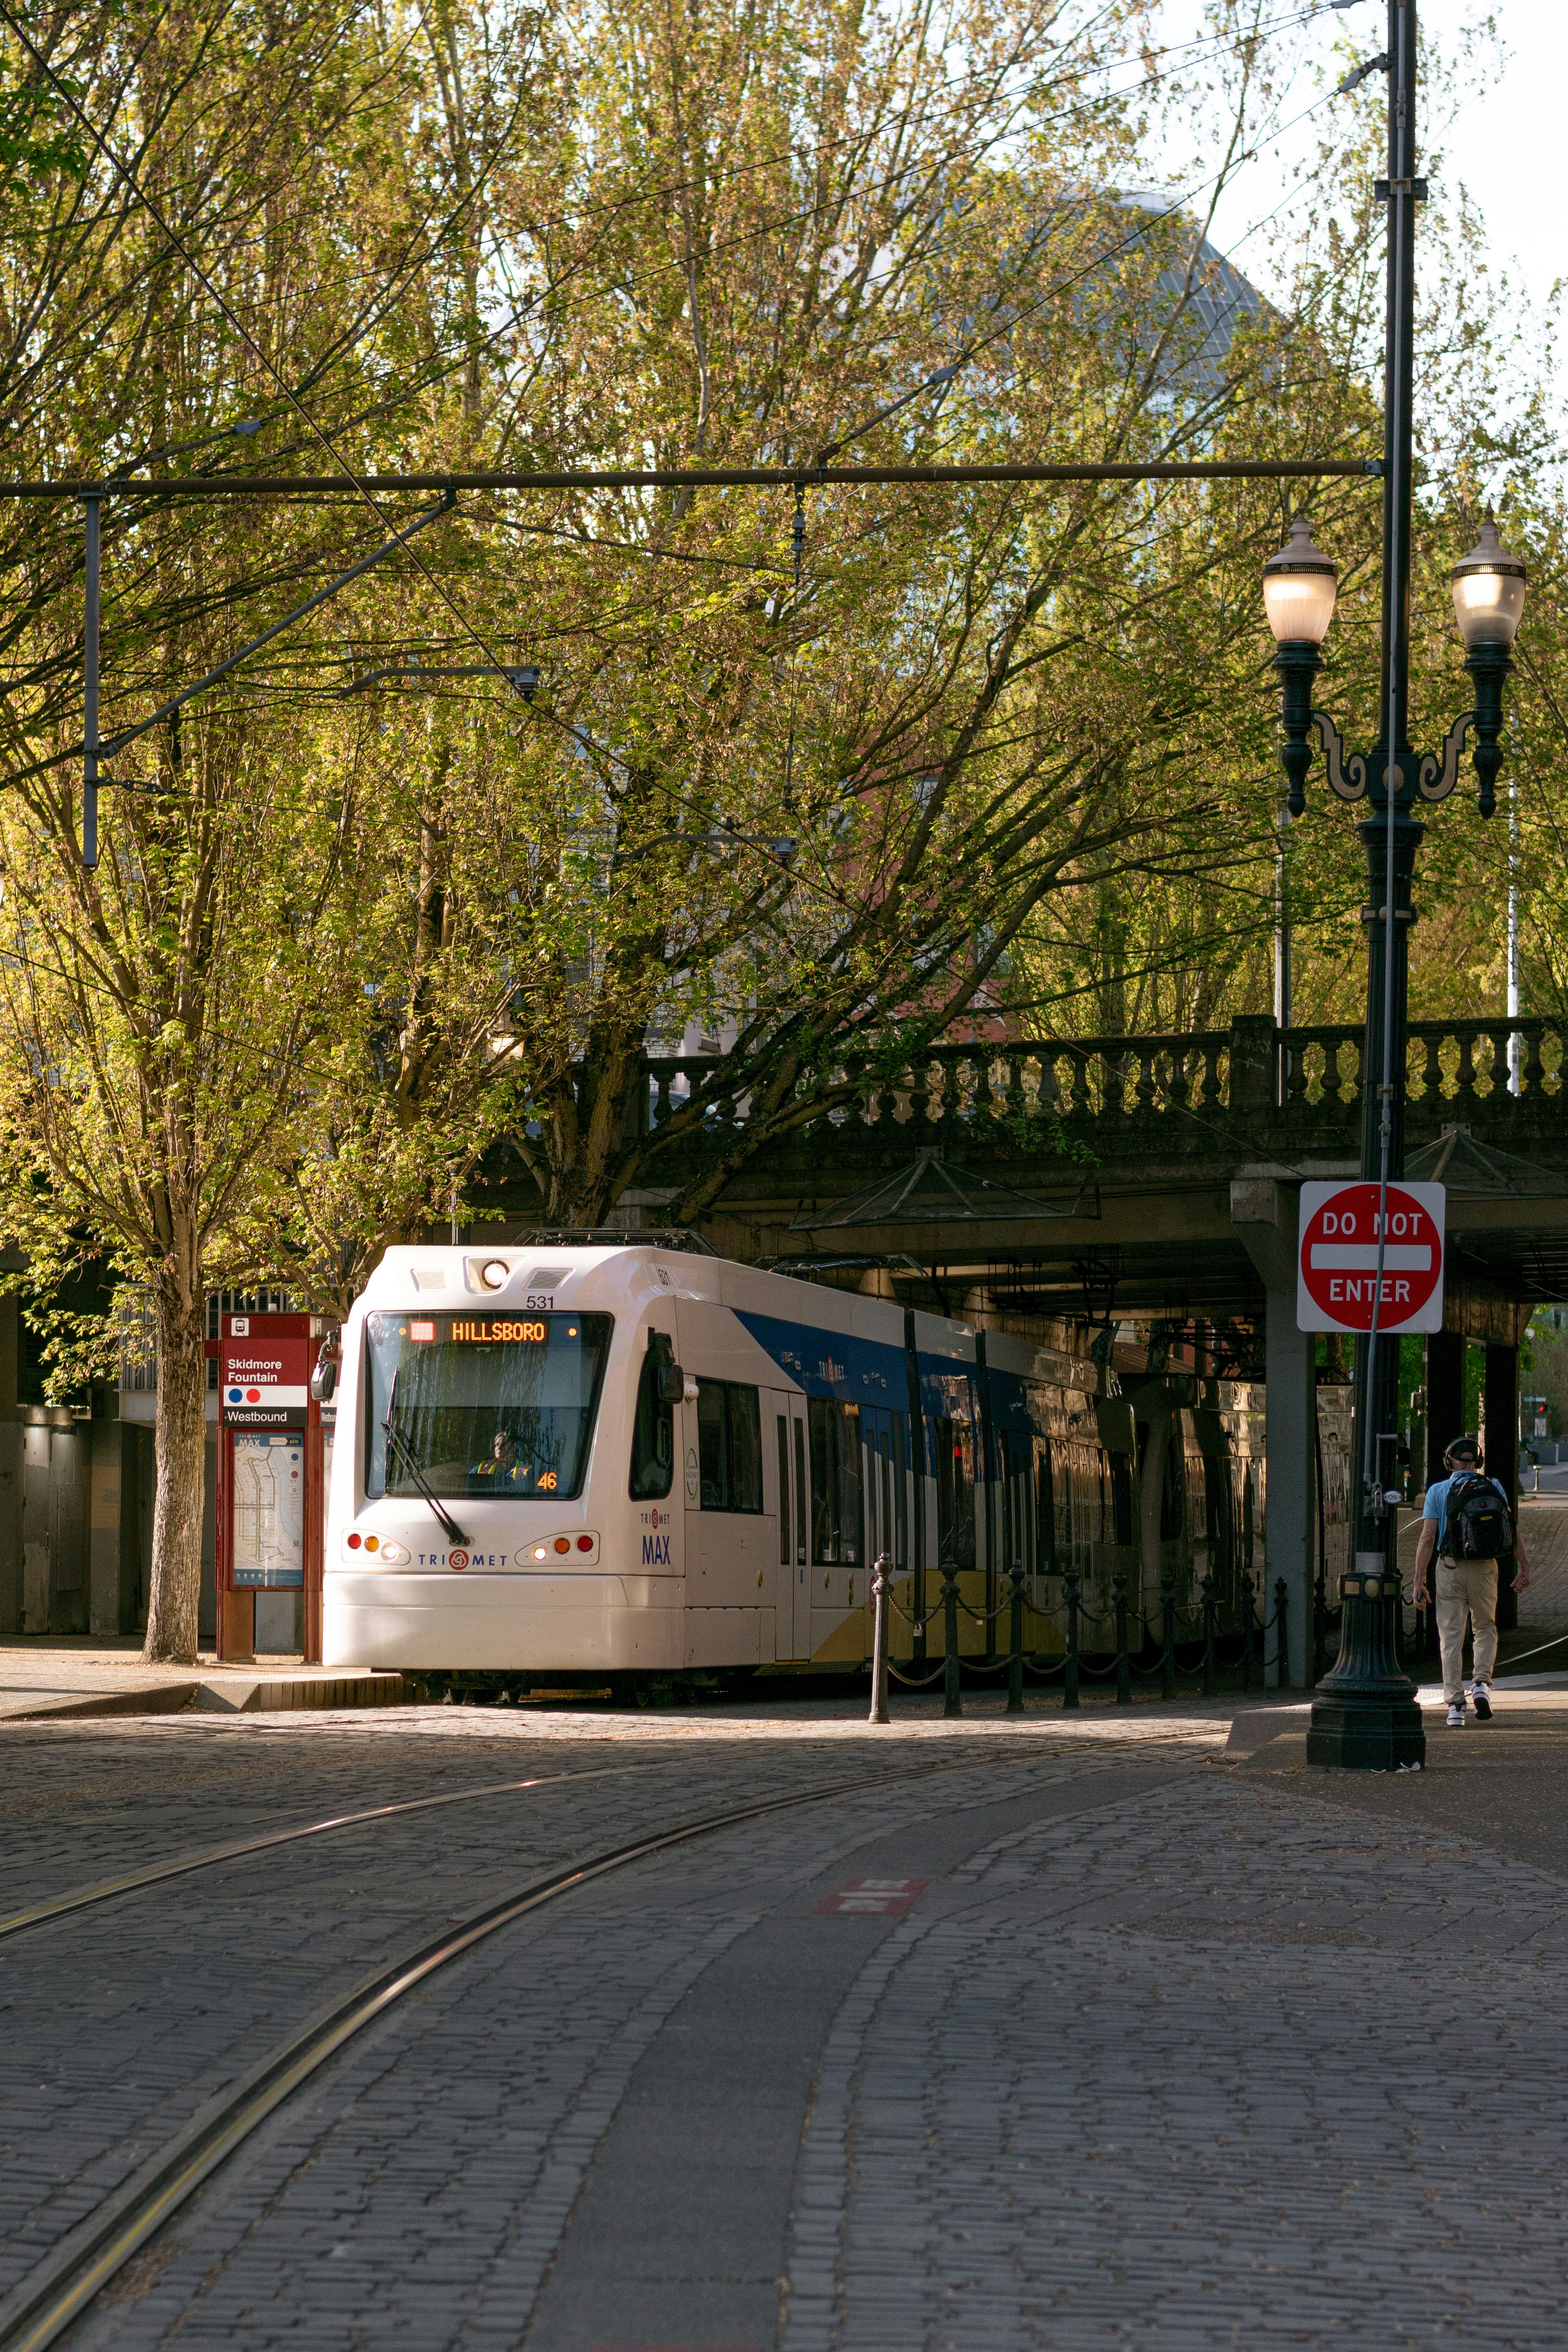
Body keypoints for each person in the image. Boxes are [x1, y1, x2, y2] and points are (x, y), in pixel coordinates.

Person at [1414, 1436, 1532, 1728]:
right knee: (1485, 1627)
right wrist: (1525, 1567)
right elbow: (1511, 1529)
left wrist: (1418, 1579)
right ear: (1477, 1462)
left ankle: (1455, 1705)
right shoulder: (1495, 1487)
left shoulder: (1439, 1491)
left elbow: (1428, 1538)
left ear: (1449, 1462)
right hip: (1485, 1569)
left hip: (1450, 1568)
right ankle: (1481, 1683)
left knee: (1451, 1636)